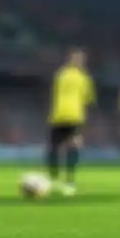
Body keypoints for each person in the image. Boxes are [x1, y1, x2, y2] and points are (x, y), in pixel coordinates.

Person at [48, 48, 95, 195]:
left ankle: (54, 179)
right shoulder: (84, 78)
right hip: (75, 116)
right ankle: (69, 181)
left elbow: (54, 93)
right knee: (72, 147)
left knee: (54, 147)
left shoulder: (60, 74)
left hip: (58, 115)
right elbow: (88, 99)